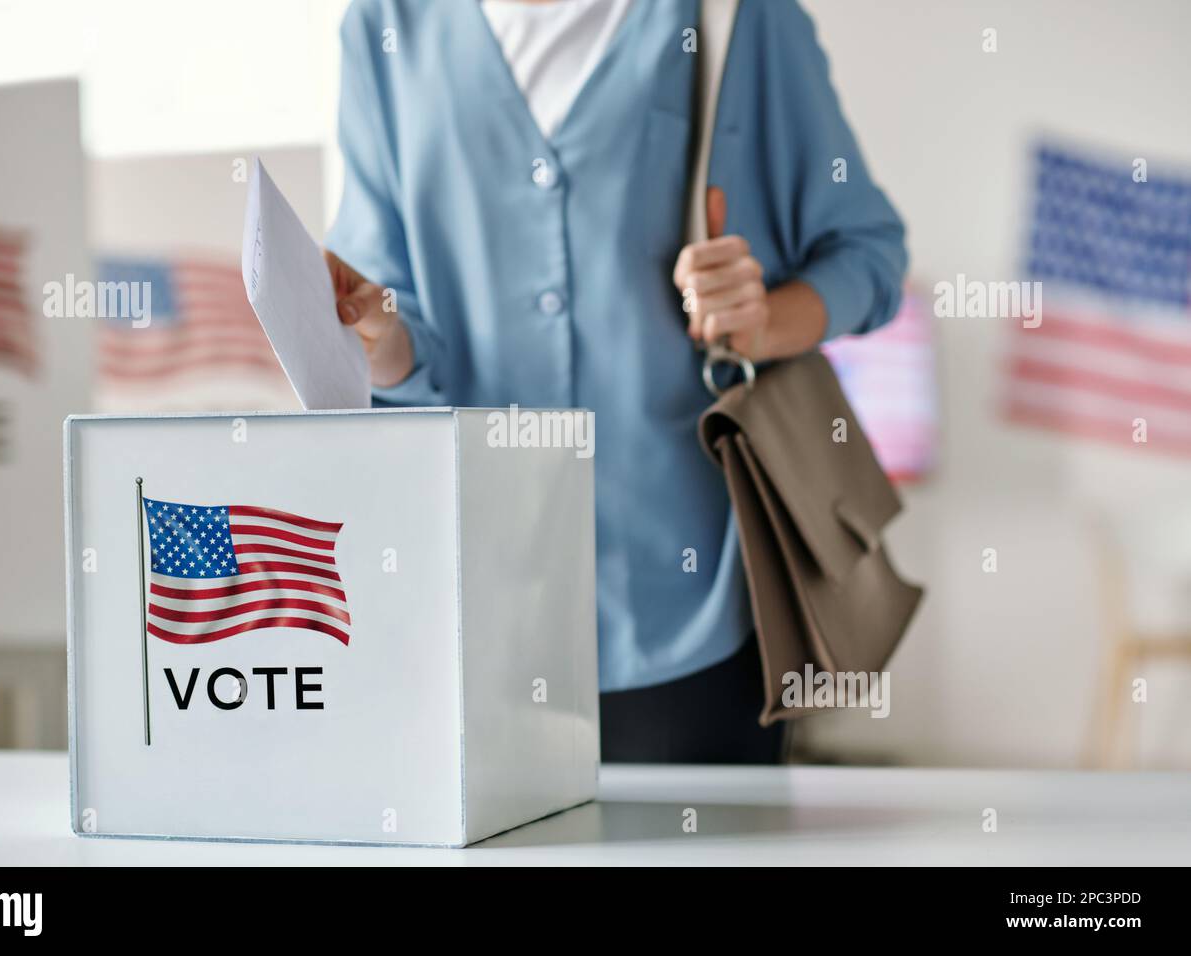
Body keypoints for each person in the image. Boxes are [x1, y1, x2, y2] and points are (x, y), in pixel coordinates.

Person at [324, 0, 907, 763]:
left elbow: (869, 254)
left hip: (692, 601)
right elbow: (397, 332)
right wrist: (374, 336)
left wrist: (762, 319)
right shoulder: (386, 29)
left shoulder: (738, 15)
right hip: (475, 603)